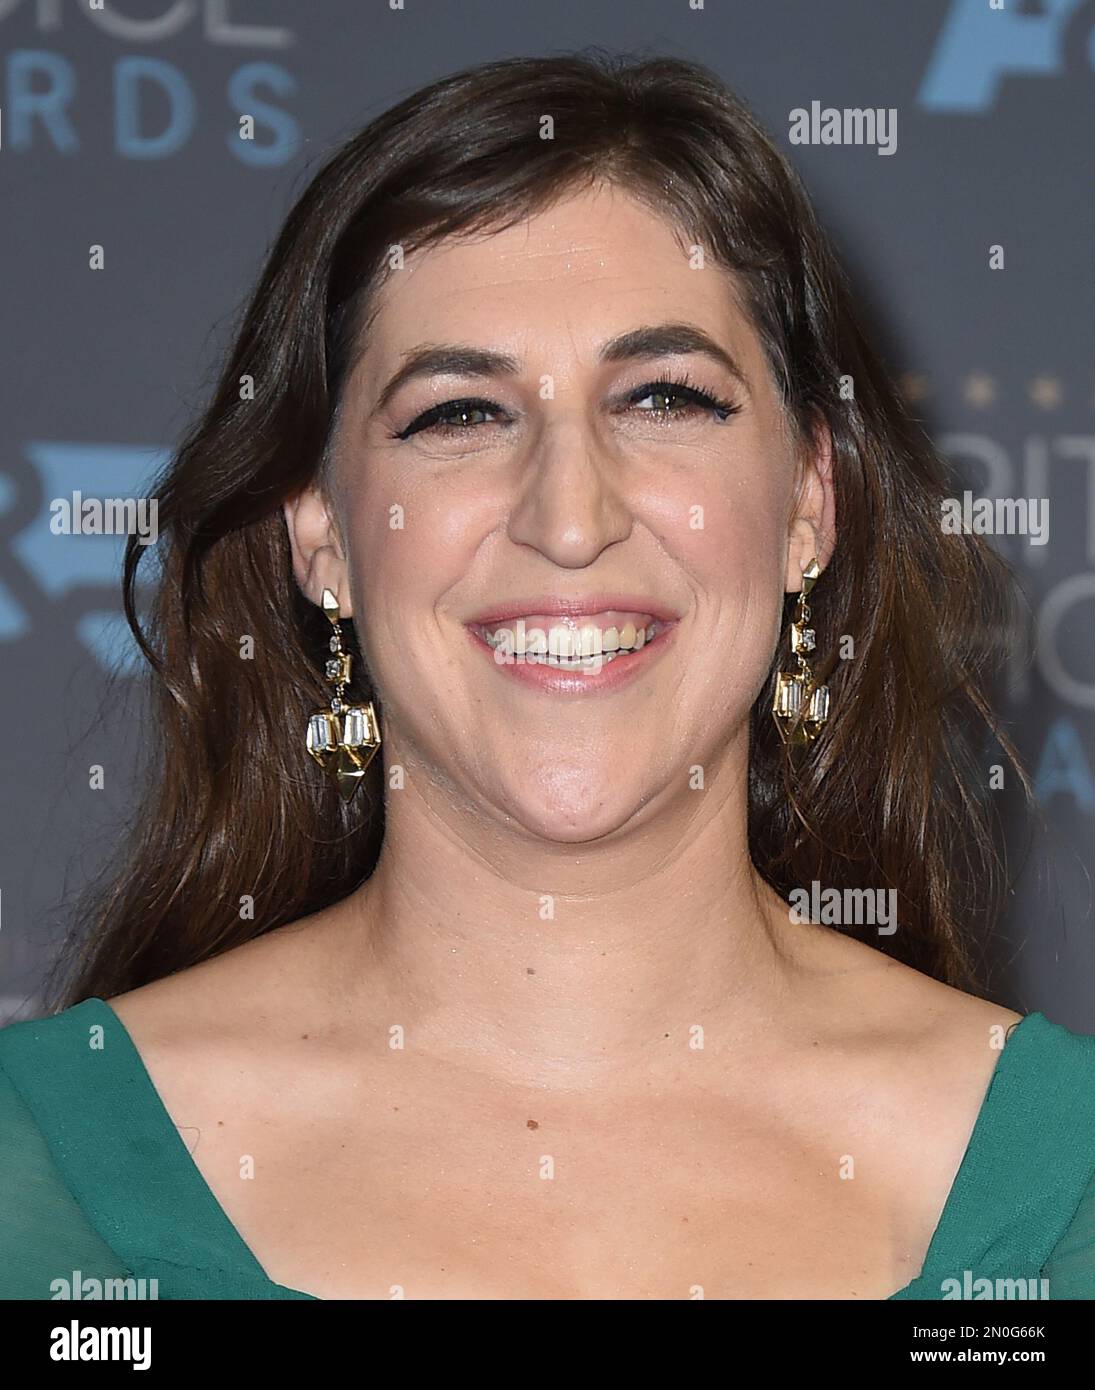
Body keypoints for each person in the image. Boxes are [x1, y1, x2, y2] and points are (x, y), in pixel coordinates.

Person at [2, 51, 1093, 1301]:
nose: (569, 518)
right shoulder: (38, 1173)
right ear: (320, 532)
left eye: (665, 397)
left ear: (808, 501)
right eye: (459, 413)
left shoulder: (1061, 1181)